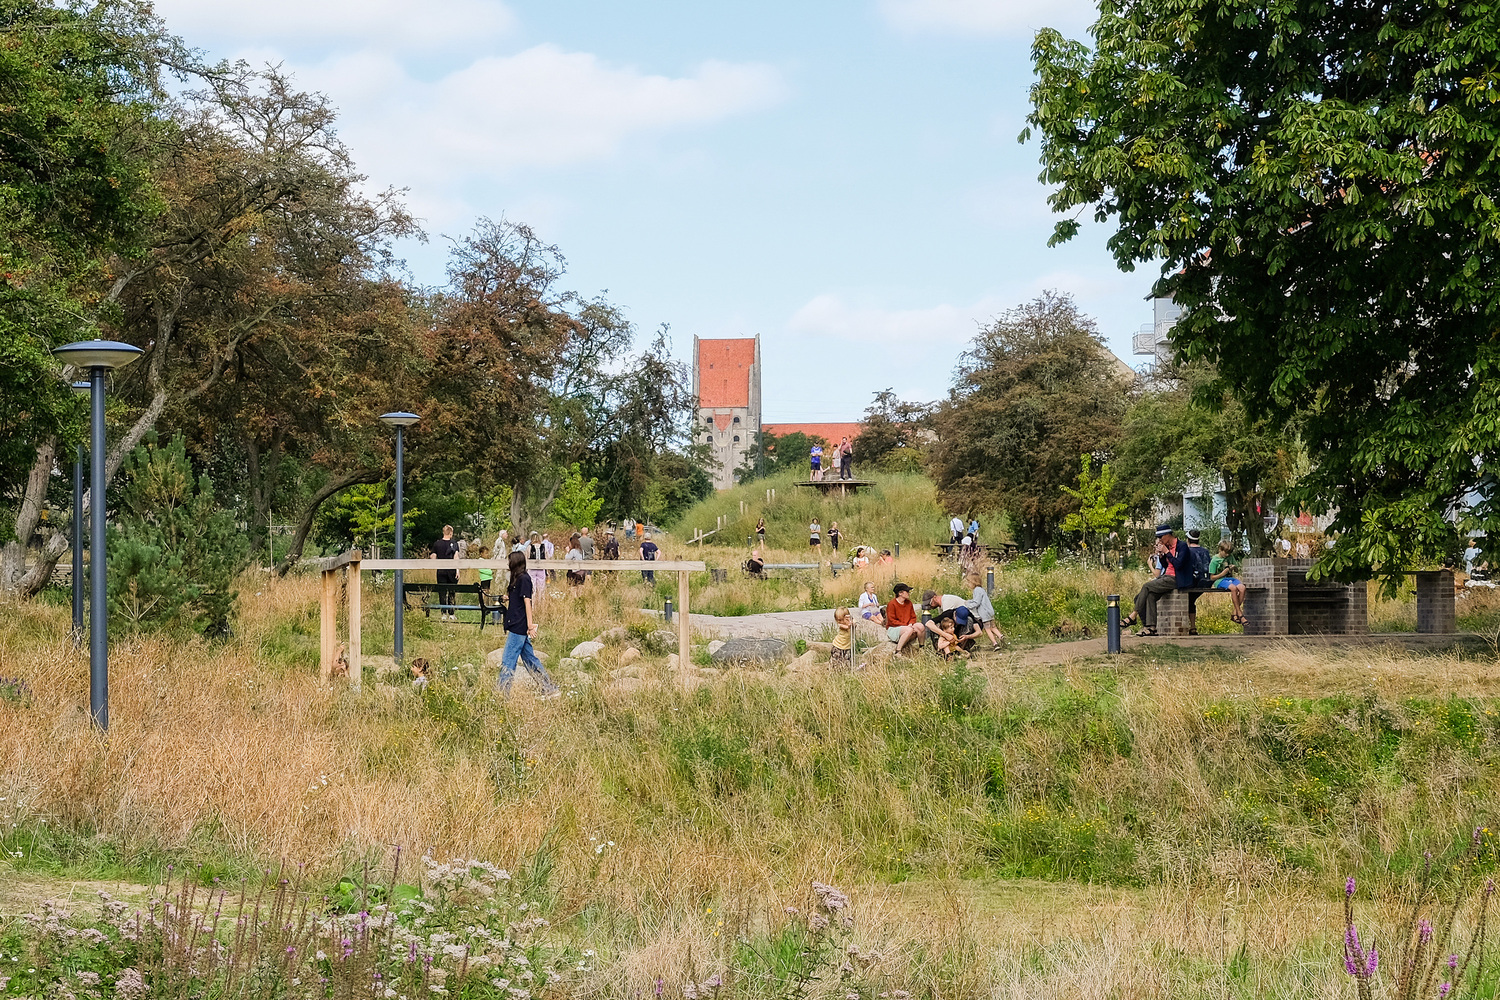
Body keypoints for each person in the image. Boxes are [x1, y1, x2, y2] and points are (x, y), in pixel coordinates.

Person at [495, 549, 561, 699]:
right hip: (516, 623)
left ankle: (502, 693)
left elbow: (527, 603)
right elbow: (518, 598)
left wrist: (530, 626)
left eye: (510, 561)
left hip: (519, 625)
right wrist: (507, 597)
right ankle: (548, 688)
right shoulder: (516, 579)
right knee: (530, 659)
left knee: (508, 659)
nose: (508, 563)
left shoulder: (524, 579)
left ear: (515, 563)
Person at [1121, 524, 1191, 636]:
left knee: (1147, 586)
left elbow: (1179, 565)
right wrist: (1162, 556)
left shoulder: (1182, 546)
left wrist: (1167, 552)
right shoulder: (1167, 547)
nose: (1160, 540)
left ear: (1168, 535)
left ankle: (1133, 615)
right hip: (1166, 576)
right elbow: (1166, 565)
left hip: (1177, 578)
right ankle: (1151, 627)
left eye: (1161, 537)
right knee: (1150, 596)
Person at [923, 590, 977, 657]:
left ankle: (958, 649)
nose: (929, 606)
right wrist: (946, 635)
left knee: (941, 627)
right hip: (957, 625)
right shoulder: (942, 606)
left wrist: (946, 635)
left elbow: (946, 623)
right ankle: (944, 651)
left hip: (965, 624)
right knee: (936, 627)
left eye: (930, 603)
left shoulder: (947, 602)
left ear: (934, 598)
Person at [1210, 539, 1248, 624]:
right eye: (1226, 553)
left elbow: (1237, 570)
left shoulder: (1230, 557)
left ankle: (1235, 612)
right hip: (1219, 580)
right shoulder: (1214, 560)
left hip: (1230, 579)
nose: (1227, 555)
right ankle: (1240, 614)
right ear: (1220, 549)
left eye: (1229, 553)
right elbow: (1212, 577)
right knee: (1233, 588)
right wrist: (1222, 573)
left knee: (1242, 588)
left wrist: (1234, 567)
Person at [965, 574, 1005, 651]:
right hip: (990, 611)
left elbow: (976, 602)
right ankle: (1001, 636)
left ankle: (995, 644)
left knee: (987, 629)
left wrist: (968, 605)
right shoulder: (981, 589)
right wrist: (969, 601)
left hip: (984, 613)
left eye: (969, 582)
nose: (968, 584)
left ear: (973, 582)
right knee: (993, 627)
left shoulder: (977, 590)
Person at [884, 583, 926, 653]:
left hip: (908, 626)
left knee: (920, 626)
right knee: (908, 630)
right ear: (900, 593)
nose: (909, 593)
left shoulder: (909, 603)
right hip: (894, 628)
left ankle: (921, 647)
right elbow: (892, 621)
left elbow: (913, 617)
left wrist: (910, 624)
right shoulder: (892, 604)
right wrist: (906, 625)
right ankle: (898, 650)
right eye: (907, 591)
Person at [430, 525, 460, 622]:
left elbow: (433, 556)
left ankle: (443, 613)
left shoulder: (437, 544)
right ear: (451, 533)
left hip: (441, 571)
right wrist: (457, 570)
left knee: (442, 592)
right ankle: (451, 613)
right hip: (452, 571)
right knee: (452, 592)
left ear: (443, 532)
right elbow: (456, 557)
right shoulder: (454, 543)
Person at [525, 531, 547, 609]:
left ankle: (533, 605)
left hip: (532, 569)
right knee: (541, 587)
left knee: (532, 587)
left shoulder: (529, 547)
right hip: (541, 568)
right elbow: (546, 557)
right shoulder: (543, 547)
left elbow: (526, 557)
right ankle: (541, 605)